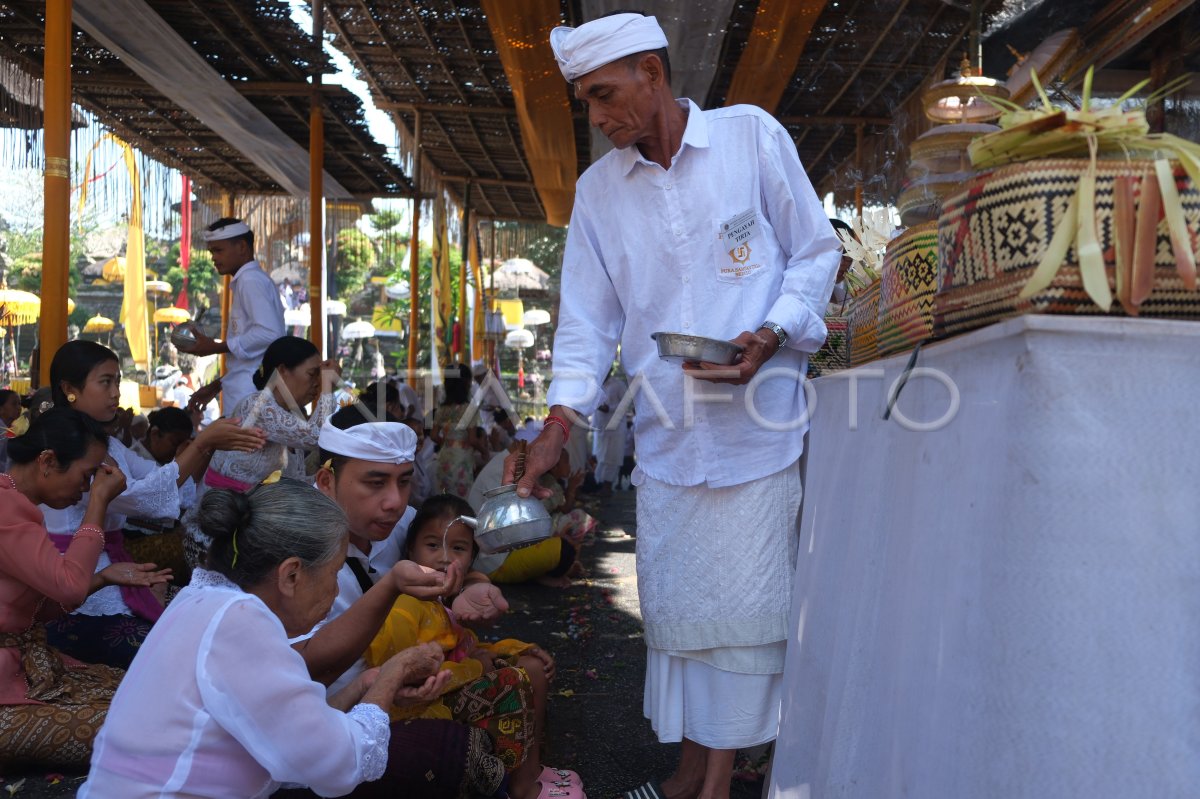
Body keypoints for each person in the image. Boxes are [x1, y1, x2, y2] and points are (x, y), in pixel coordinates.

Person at [510, 14, 841, 799]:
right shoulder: (597, 193)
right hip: (668, 440)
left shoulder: (748, 137)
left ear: (652, 73)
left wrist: (771, 331)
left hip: (759, 435)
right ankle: (693, 772)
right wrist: (561, 420)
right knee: (682, 616)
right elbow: (586, 321)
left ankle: (714, 785)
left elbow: (816, 250)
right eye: (586, 101)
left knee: (745, 619)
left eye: (603, 93)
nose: (595, 116)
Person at [79, 478, 446, 797]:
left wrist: (366, 685)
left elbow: (293, 740)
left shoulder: (204, 600)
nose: (336, 592)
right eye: (334, 574)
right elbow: (340, 764)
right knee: (442, 750)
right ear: (290, 575)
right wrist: (394, 672)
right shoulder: (240, 623)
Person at [283, 410, 515, 799]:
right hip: (324, 721)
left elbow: (450, 557)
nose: (394, 501)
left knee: (519, 675)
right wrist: (390, 591)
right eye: (375, 483)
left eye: (404, 482)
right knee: (462, 755)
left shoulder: (400, 520)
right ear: (326, 480)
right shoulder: (293, 544)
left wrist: (471, 585)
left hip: (405, 685)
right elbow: (301, 666)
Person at [42, 341, 266, 668]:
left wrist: (203, 449)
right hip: (79, 588)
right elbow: (143, 498)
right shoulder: (68, 446)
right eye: (105, 382)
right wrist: (203, 444)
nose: (116, 393)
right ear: (69, 389)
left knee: (218, 622)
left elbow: (159, 478)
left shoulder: (110, 445)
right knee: (189, 652)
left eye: (118, 382)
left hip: (112, 567)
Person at [365, 494, 583, 799]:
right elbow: (400, 677)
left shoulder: (443, 599)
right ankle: (521, 787)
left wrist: (515, 649)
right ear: (411, 550)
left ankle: (530, 772)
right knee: (512, 680)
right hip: (422, 706)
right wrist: (479, 665)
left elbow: (467, 646)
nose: (443, 558)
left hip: (454, 684)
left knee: (531, 665)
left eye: (458, 548)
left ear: (471, 557)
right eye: (432, 545)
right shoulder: (406, 604)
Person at [0, 408, 167, 768]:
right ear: (47, 461)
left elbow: (33, 612)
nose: (86, 487)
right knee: (145, 723)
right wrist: (98, 503)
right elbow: (69, 589)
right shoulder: (6, 509)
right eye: (86, 475)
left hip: (19, 666)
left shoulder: (14, 503)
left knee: (148, 697)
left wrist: (104, 578)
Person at [182, 336, 339, 568]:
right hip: (216, 538)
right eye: (313, 374)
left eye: (320, 375)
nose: (317, 382)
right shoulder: (257, 405)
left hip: (247, 529)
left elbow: (295, 481)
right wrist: (329, 385)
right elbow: (318, 436)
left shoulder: (291, 417)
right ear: (283, 371)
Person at [179, 218, 286, 414]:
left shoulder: (250, 280)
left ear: (242, 247)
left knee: (241, 445)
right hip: (247, 390)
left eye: (218, 251)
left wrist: (216, 347)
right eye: (212, 252)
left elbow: (269, 333)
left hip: (251, 394)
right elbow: (249, 359)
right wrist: (217, 385)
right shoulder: (248, 280)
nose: (213, 258)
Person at [431, 363, 484, 497]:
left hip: (444, 457)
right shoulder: (469, 408)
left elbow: (433, 435)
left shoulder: (442, 409)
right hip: (462, 459)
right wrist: (485, 451)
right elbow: (472, 440)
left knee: (444, 497)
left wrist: (448, 442)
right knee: (461, 498)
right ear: (466, 383)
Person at [590, 370, 628, 497]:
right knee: (600, 458)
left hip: (615, 429)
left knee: (612, 458)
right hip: (600, 428)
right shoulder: (595, 384)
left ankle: (607, 486)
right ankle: (599, 486)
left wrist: (609, 408)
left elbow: (626, 403)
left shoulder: (618, 384)